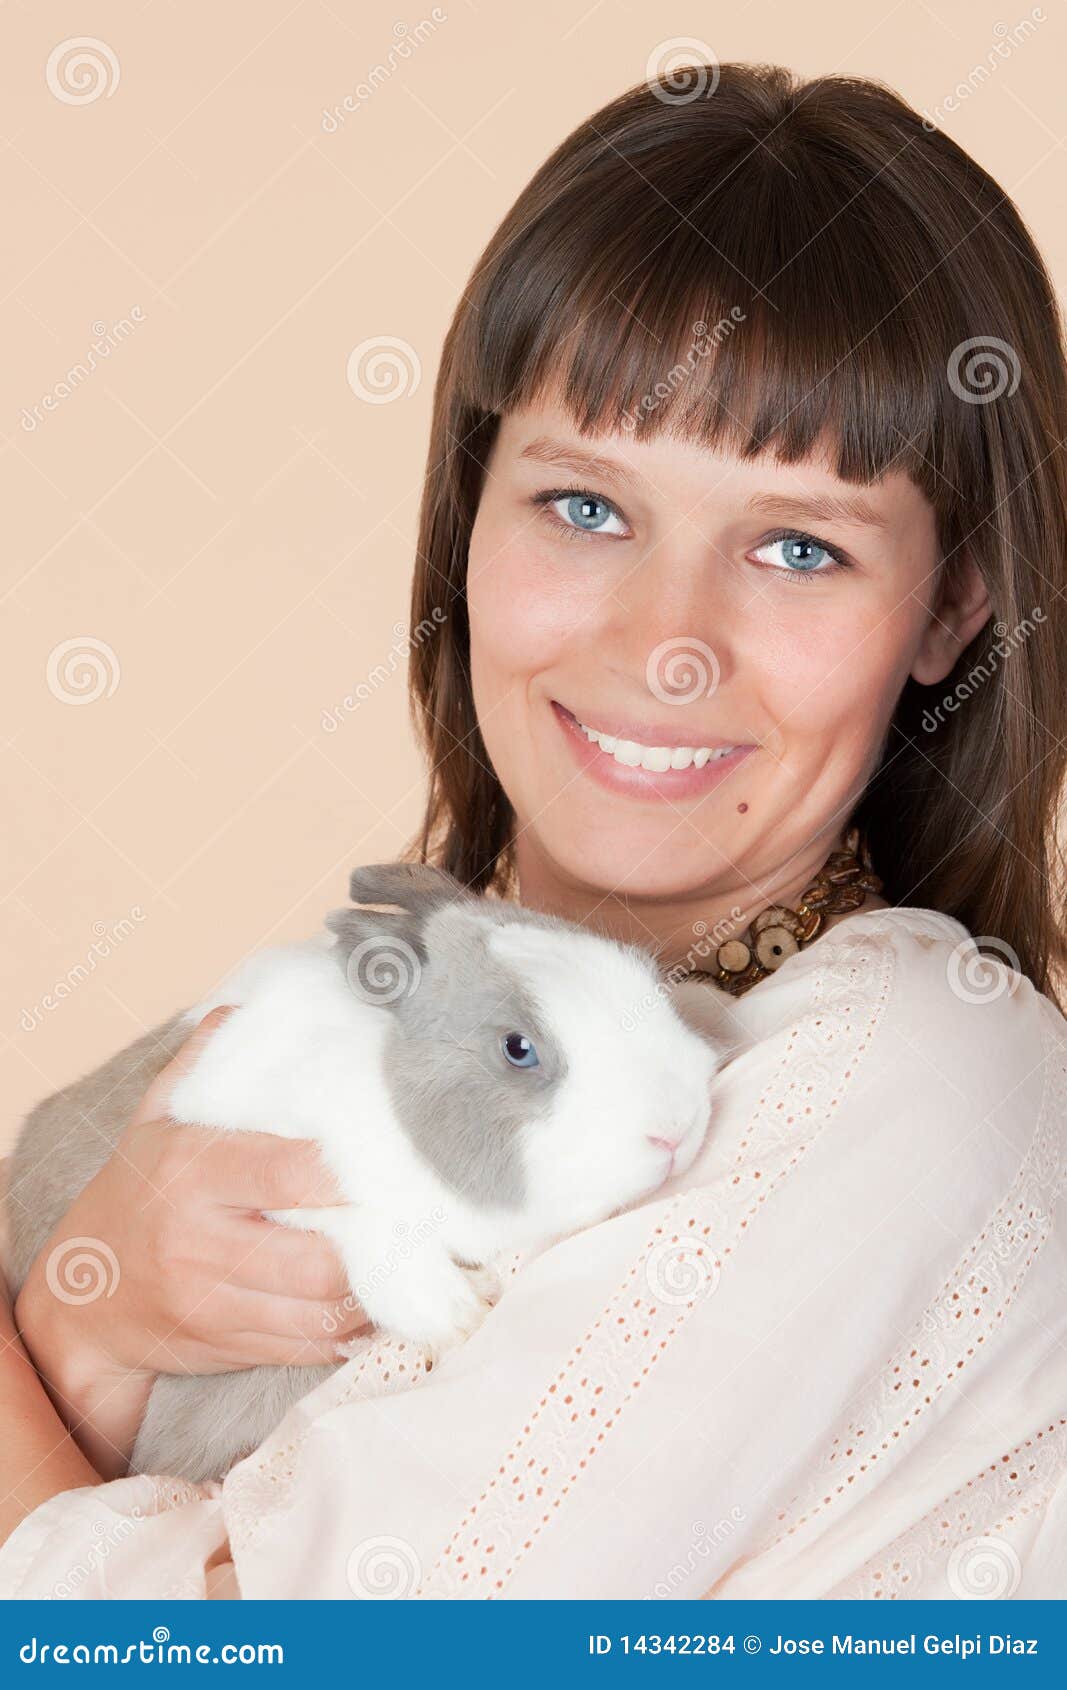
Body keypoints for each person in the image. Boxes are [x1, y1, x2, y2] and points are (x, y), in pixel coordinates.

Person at [2, 60, 1065, 1601]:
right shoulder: (351, 1025)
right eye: (585, 508)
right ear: (470, 512)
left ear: (952, 603)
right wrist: (93, 1337)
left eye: (795, 543)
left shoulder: (909, 1064)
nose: (668, 642)